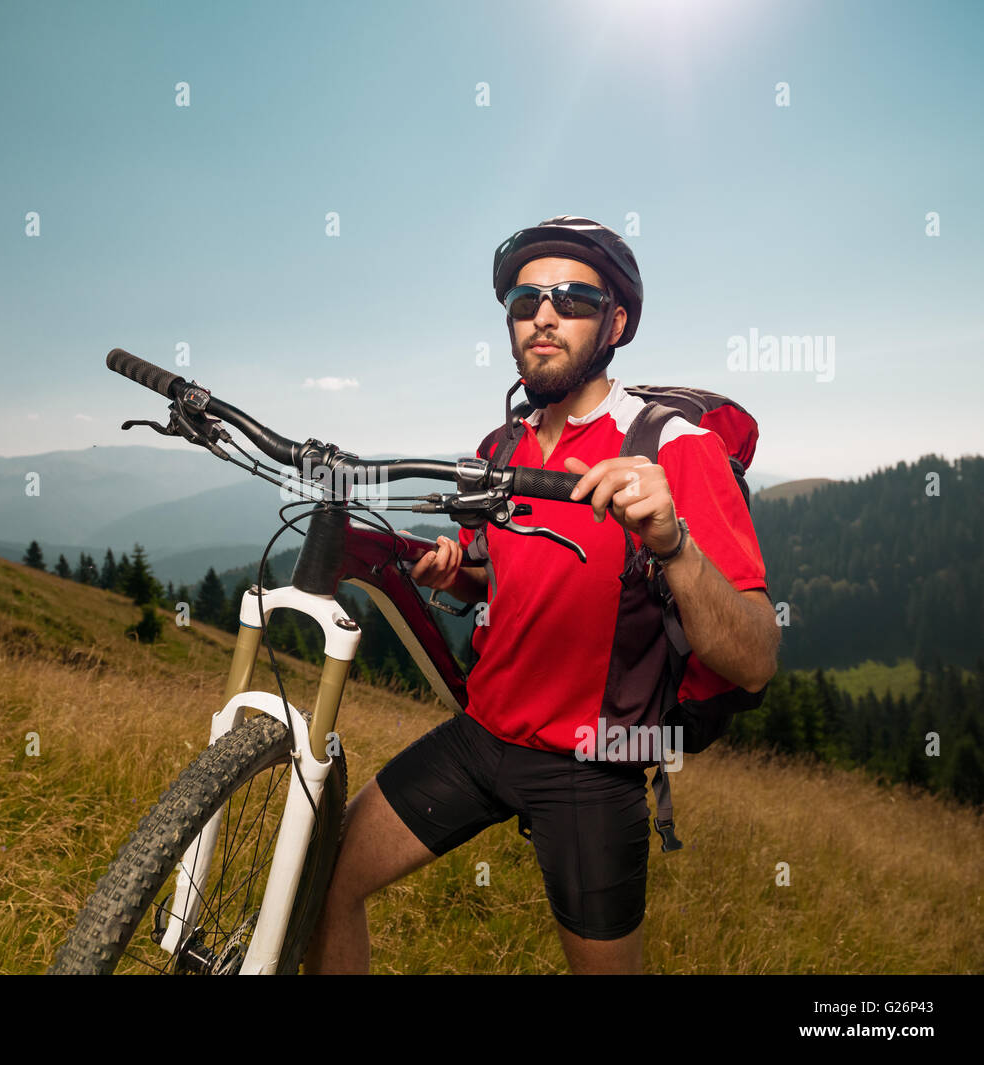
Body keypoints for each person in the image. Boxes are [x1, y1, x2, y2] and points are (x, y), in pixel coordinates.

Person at [303, 216, 780, 975]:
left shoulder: (675, 447)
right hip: (480, 735)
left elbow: (755, 657)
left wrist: (673, 541)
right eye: (525, 301)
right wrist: (457, 572)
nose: (543, 315)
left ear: (616, 321)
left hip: (590, 766)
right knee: (323, 885)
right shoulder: (504, 449)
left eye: (571, 298)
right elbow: (512, 576)